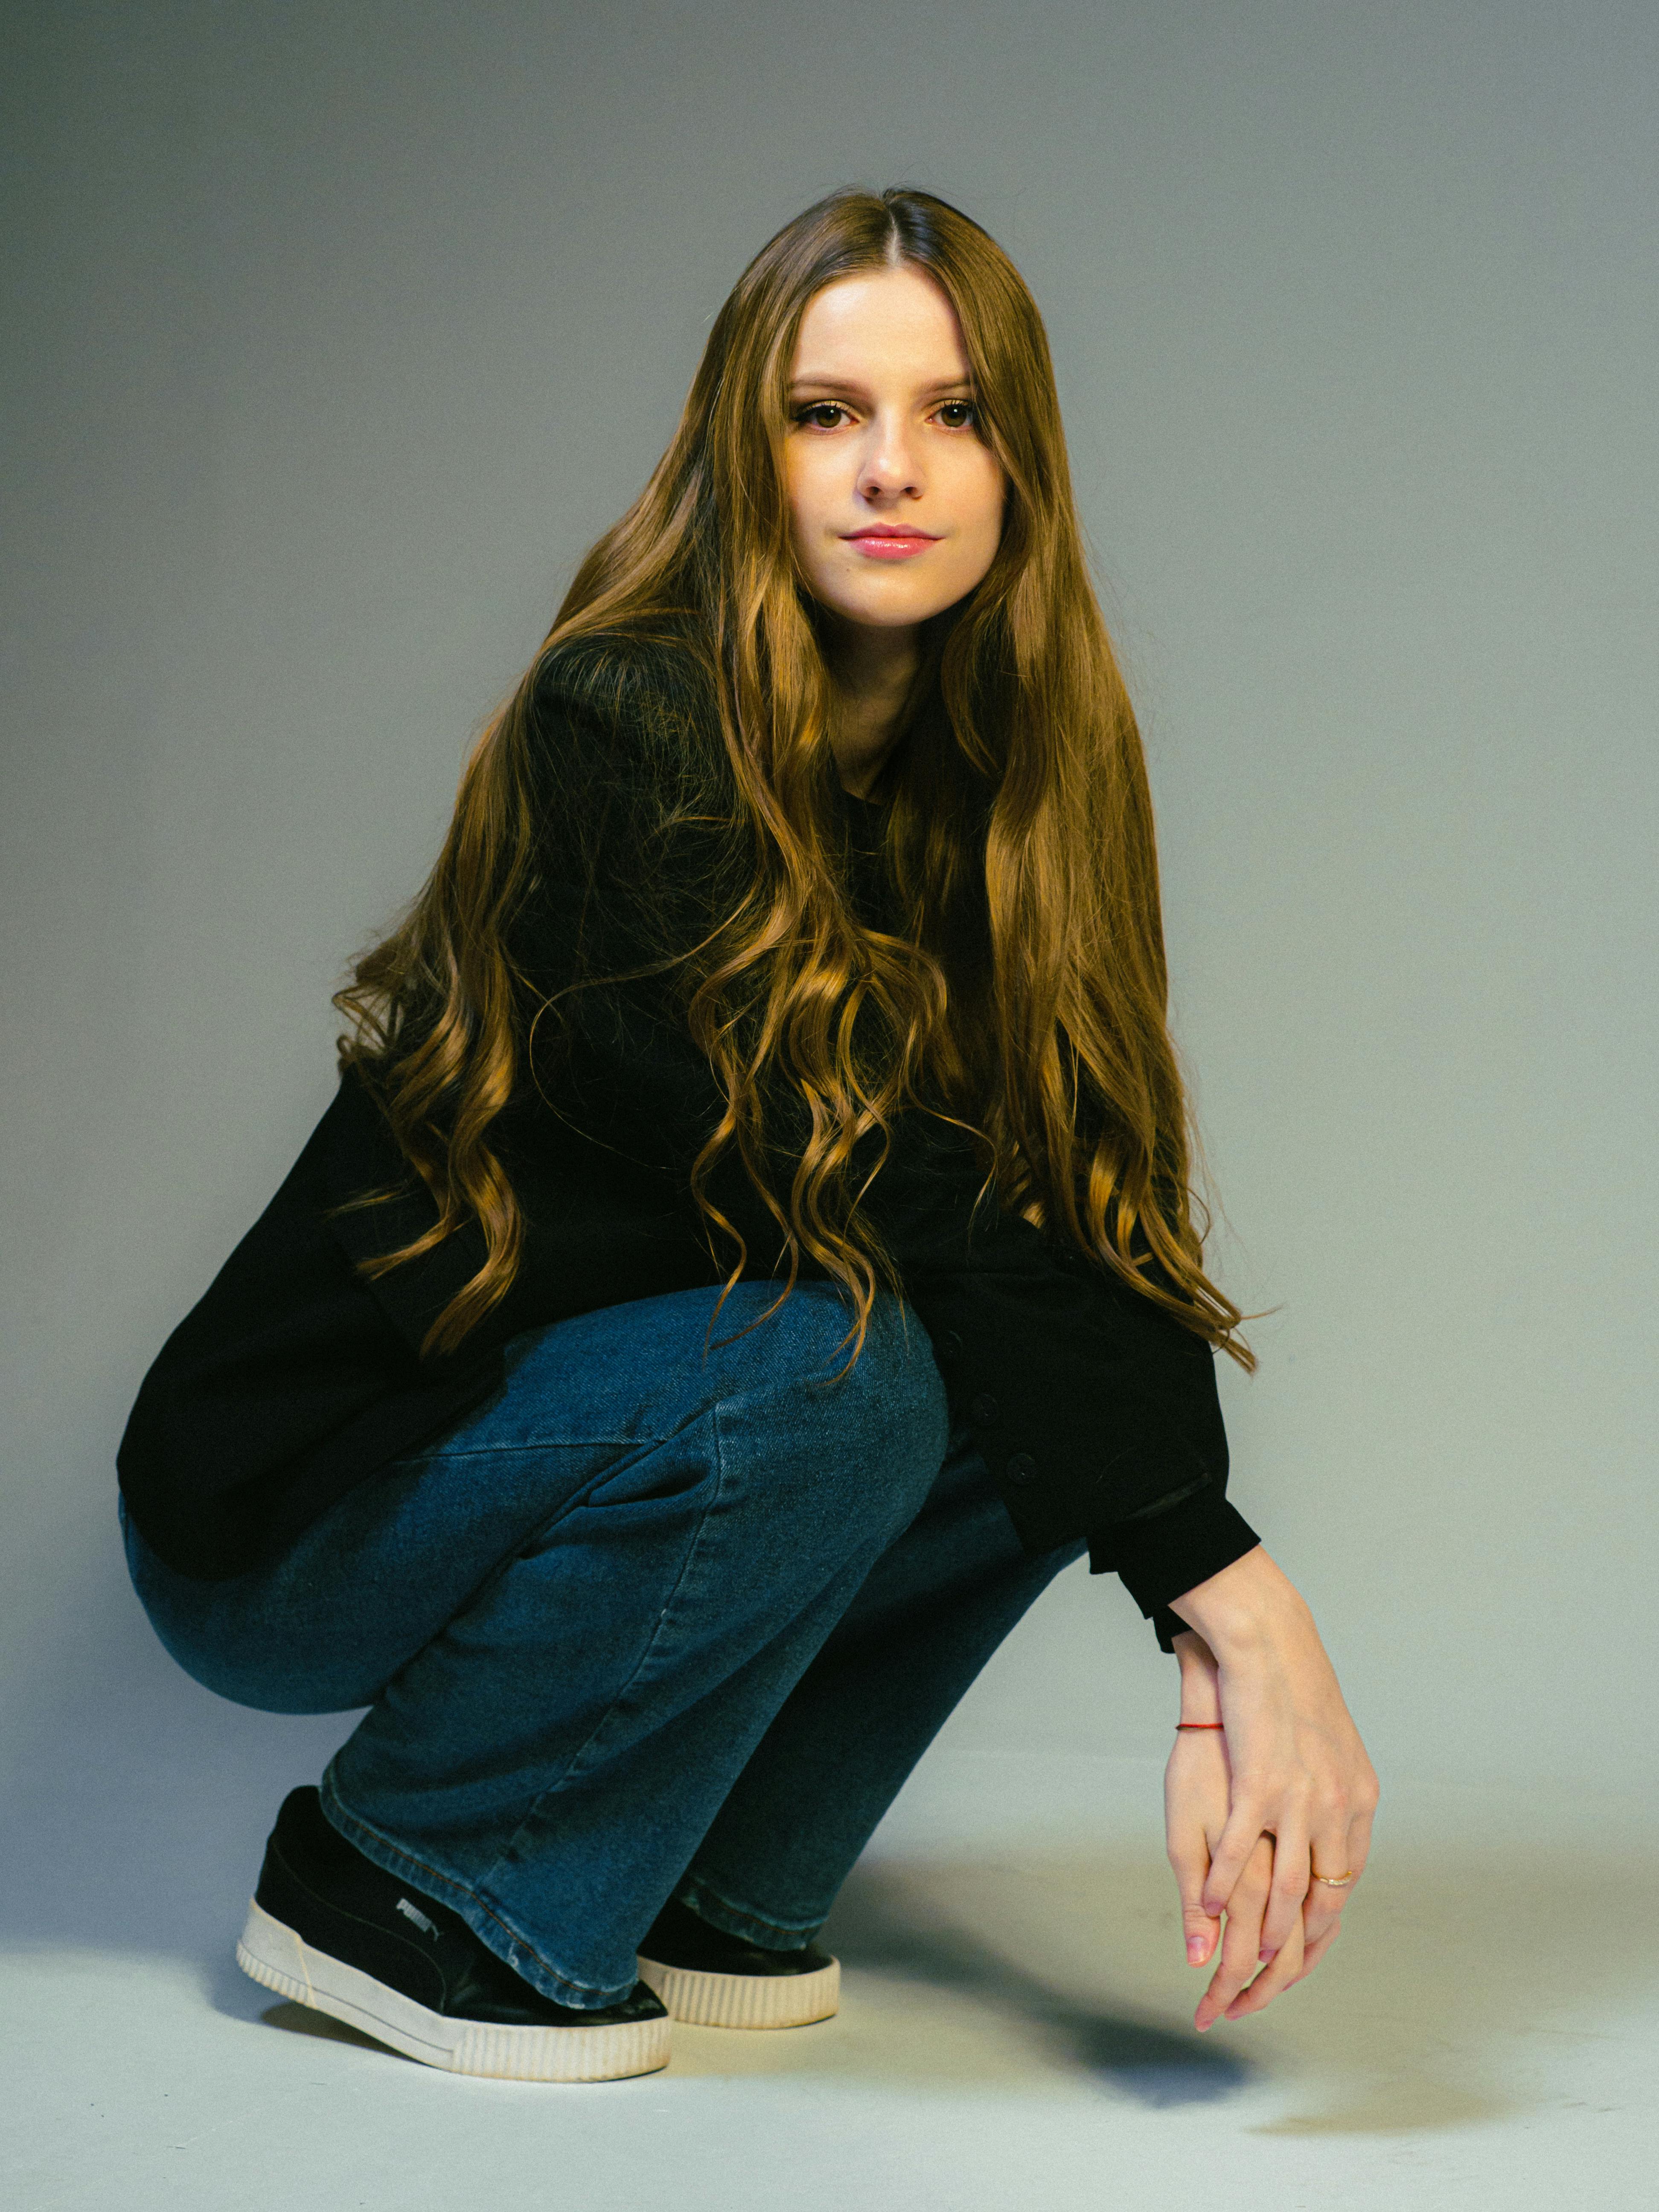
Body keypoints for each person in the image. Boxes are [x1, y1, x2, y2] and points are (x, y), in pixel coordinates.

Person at [116, 184, 1378, 2084]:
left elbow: (1066, 1238)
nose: (894, 470)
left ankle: (703, 1871)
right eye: (825, 413)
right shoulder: (620, 720)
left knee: (1046, 1371)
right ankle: (418, 1879)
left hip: (587, 1423)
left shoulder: (1012, 782)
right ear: (746, 448)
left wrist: (1214, 1638)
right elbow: (879, 1179)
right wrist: (1238, 1598)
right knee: (851, 1358)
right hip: (301, 1500)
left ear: (1021, 459)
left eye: (956, 414)